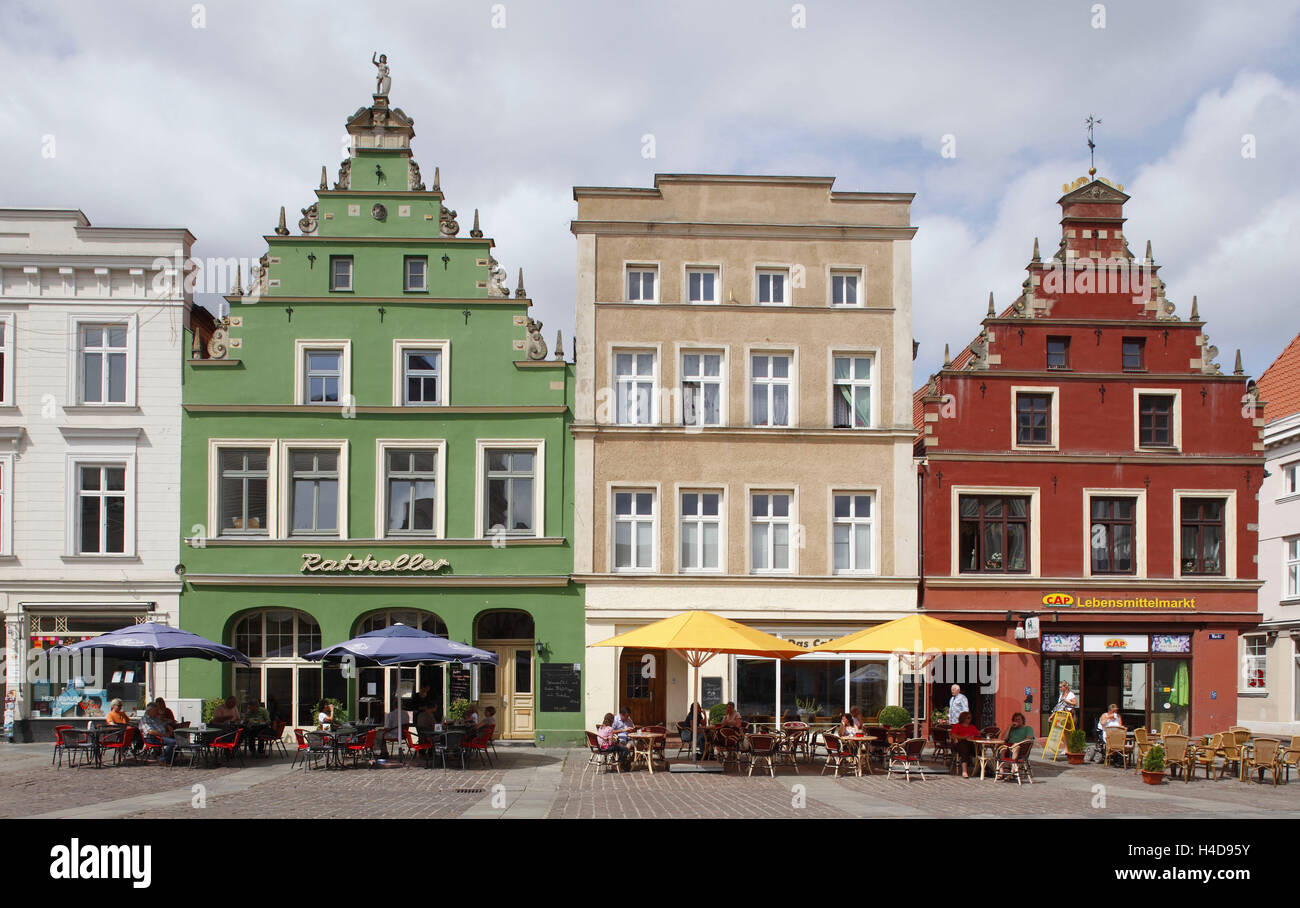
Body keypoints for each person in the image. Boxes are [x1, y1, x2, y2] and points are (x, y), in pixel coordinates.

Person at [950, 711, 980, 778]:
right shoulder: (957, 726)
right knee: (964, 747)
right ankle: (964, 771)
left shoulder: (972, 727)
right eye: (968, 718)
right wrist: (963, 737)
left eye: (970, 718)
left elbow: (978, 734)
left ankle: (982, 768)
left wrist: (973, 736)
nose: (969, 719)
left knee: (979, 749)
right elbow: (953, 735)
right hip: (960, 744)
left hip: (971, 743)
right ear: (963, 718)